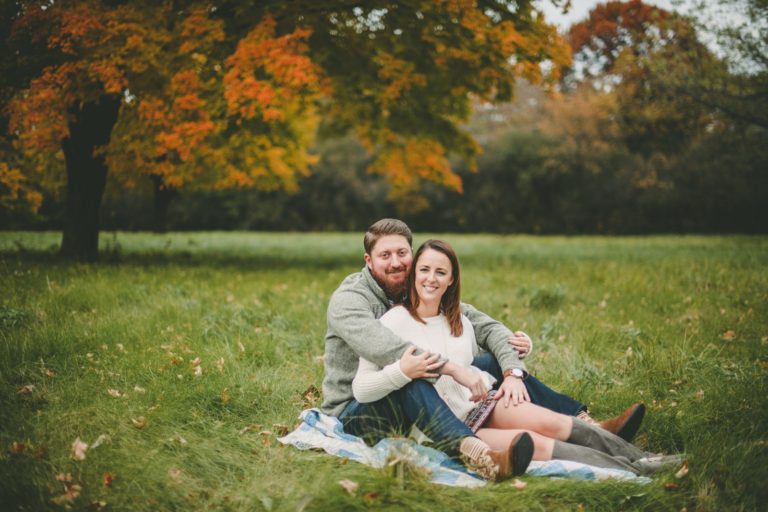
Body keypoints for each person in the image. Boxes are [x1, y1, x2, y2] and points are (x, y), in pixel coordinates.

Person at [320, 219, 643, 480]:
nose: (396, 262)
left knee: (488, 362)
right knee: (413, 374)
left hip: (422, 397)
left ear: (413, 254)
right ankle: (474, 451)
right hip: (357, 407)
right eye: (385, 255)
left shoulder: (415, 284)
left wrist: (512, 365)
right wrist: (454, 369)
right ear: (368, 260)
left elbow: (481, 325)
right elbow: (386, 349)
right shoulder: (350, 301)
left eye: (402, 253)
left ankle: (586, 425)